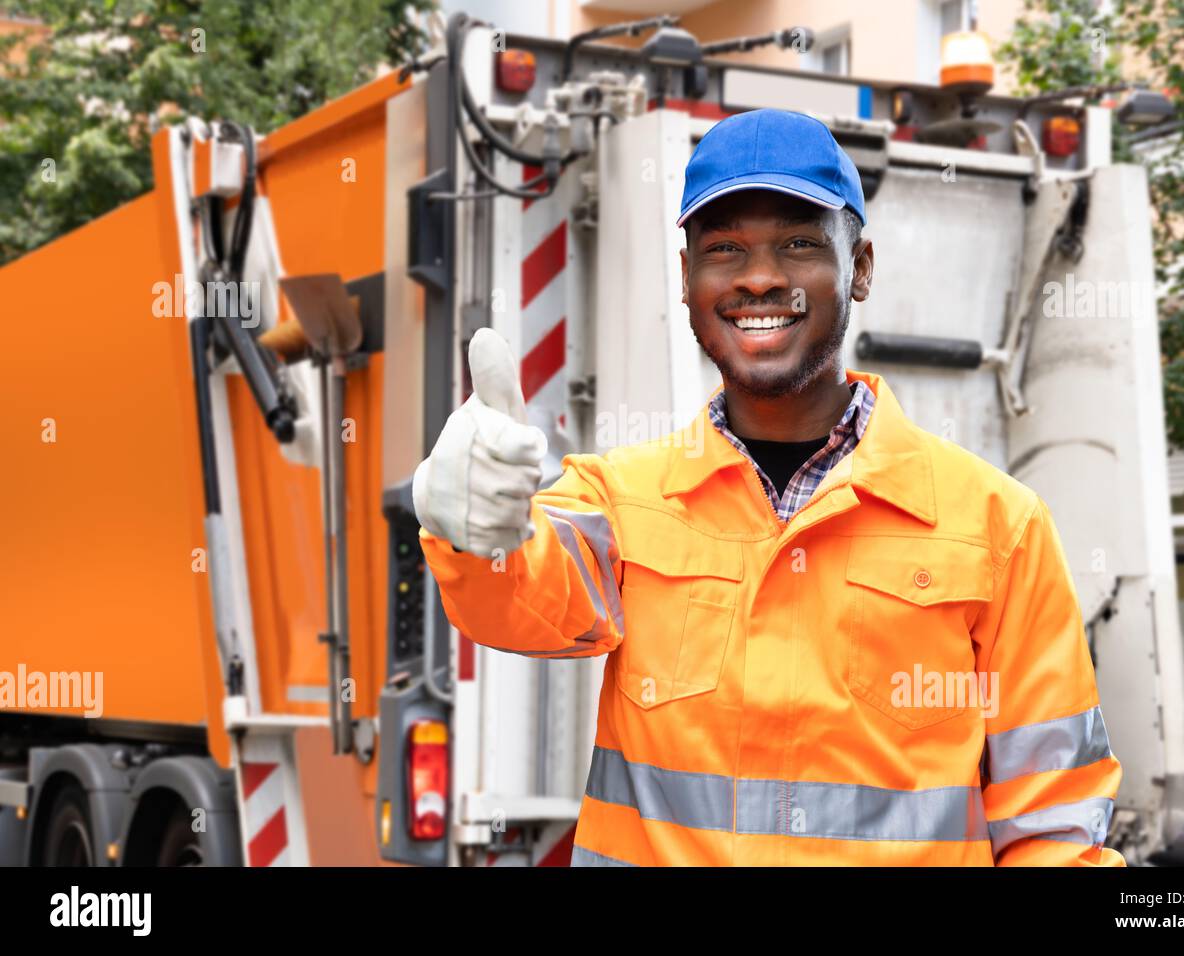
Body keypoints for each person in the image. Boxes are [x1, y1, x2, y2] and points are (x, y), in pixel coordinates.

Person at [413, 108, 1124, 866]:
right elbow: (520, 596)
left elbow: (1053, 826)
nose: (760, 276)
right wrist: (477, 530)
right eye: (725, 249)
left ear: (860, 268)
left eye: (798, 243)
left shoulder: (997, 527)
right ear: (687, 282)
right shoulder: (618, 503)